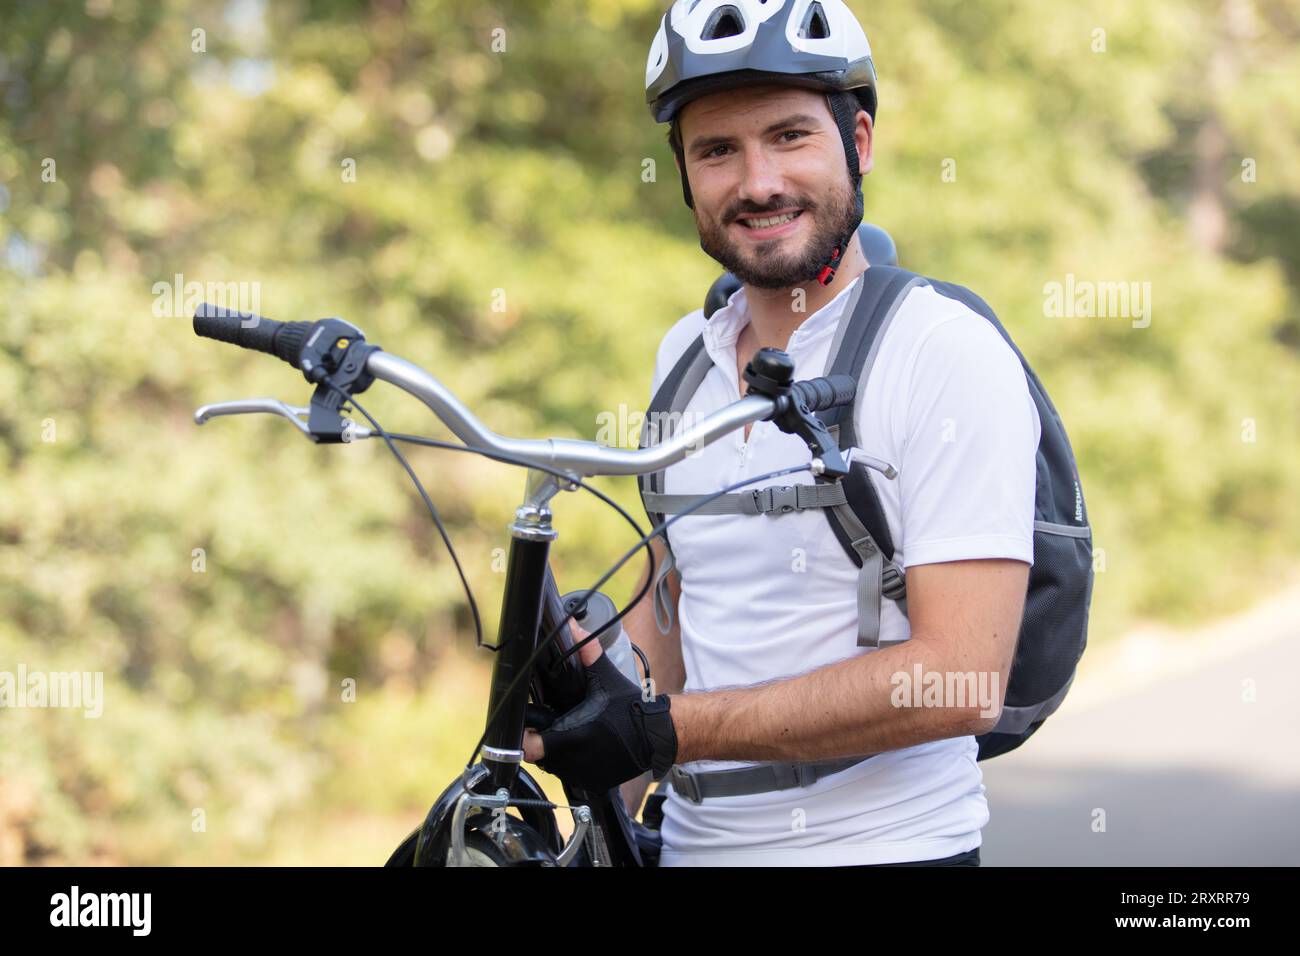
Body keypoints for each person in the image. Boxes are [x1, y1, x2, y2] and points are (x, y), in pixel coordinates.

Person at [523, 0, 1040, 867]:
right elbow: (675, 614)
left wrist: (663, 729)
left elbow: (961, 679)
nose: (758, 183)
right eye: (717, 150)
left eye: (790, 136)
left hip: (887, 852)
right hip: (690, 849)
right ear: (684, 175)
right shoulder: (684, 356)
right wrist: (604, 765)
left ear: (859, 143)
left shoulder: (942, 351)